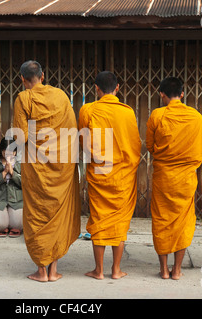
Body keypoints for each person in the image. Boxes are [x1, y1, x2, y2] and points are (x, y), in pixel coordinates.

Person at [13, 60, 81, 282]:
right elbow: (72, 129)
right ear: (43, 76)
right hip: (61, 167)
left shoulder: (23, 98)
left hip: (36, 167)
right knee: (56, 214)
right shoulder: (61, 96)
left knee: (38, 214)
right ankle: (53, 271)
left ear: (22, 79)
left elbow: (20, 136)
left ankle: (41, 271)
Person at [78, 71, 141, 280]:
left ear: (96, 88)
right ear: (118, 87)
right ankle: (116, 270)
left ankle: (99, 271)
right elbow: (135, 145)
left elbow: (84, 144)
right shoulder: (128, 112)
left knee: (99, 220)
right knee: (119, 222)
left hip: (99, 173)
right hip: (122, 175)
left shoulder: (87, 110)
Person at [146, 77, 202, 280]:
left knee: (162, 221)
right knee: (183, 221)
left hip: (164, 177)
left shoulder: (157, 115)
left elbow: (150, 146)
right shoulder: (195, 117)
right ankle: (177, 270)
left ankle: (163, 270)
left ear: (161, 94)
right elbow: (201, 151)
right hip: (186, 179)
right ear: (182, 94)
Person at [0, 137, 23, 238]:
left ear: (15, 152)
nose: (8, 155)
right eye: (5, 152)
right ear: (1, 150)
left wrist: (12, 173)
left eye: (11, 153)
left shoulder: (21, 161)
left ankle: (11, 223)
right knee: (0, 226)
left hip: (16, 199)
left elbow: (27, 184)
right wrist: (3, 173)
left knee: (17, 225)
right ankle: (3, 225)